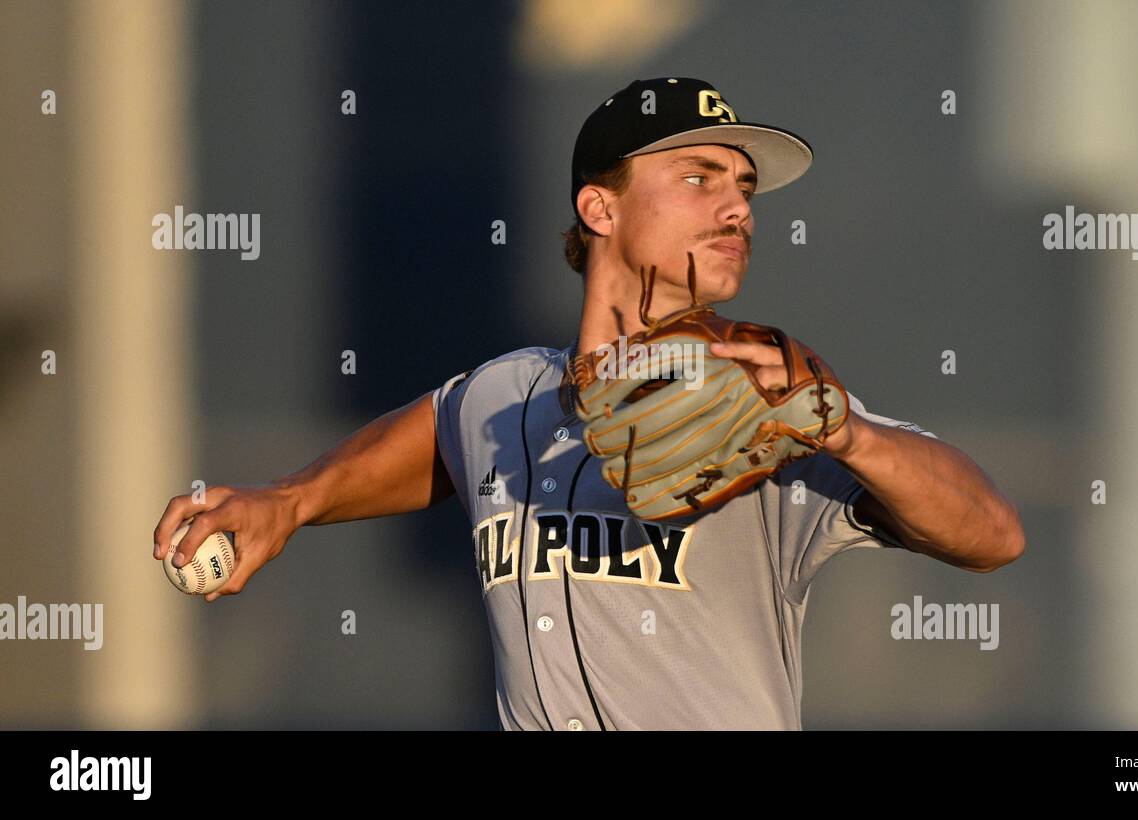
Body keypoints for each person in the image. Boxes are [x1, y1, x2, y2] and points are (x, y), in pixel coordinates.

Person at [153, 77, 1024, 730]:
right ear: (598, 207)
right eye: (699, 176)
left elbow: (993, 533)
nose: (737, 207)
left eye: (745, 189)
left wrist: (852, 434)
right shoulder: (505, 396)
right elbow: (432, 440)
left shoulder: (765, 395)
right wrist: (292, 501)